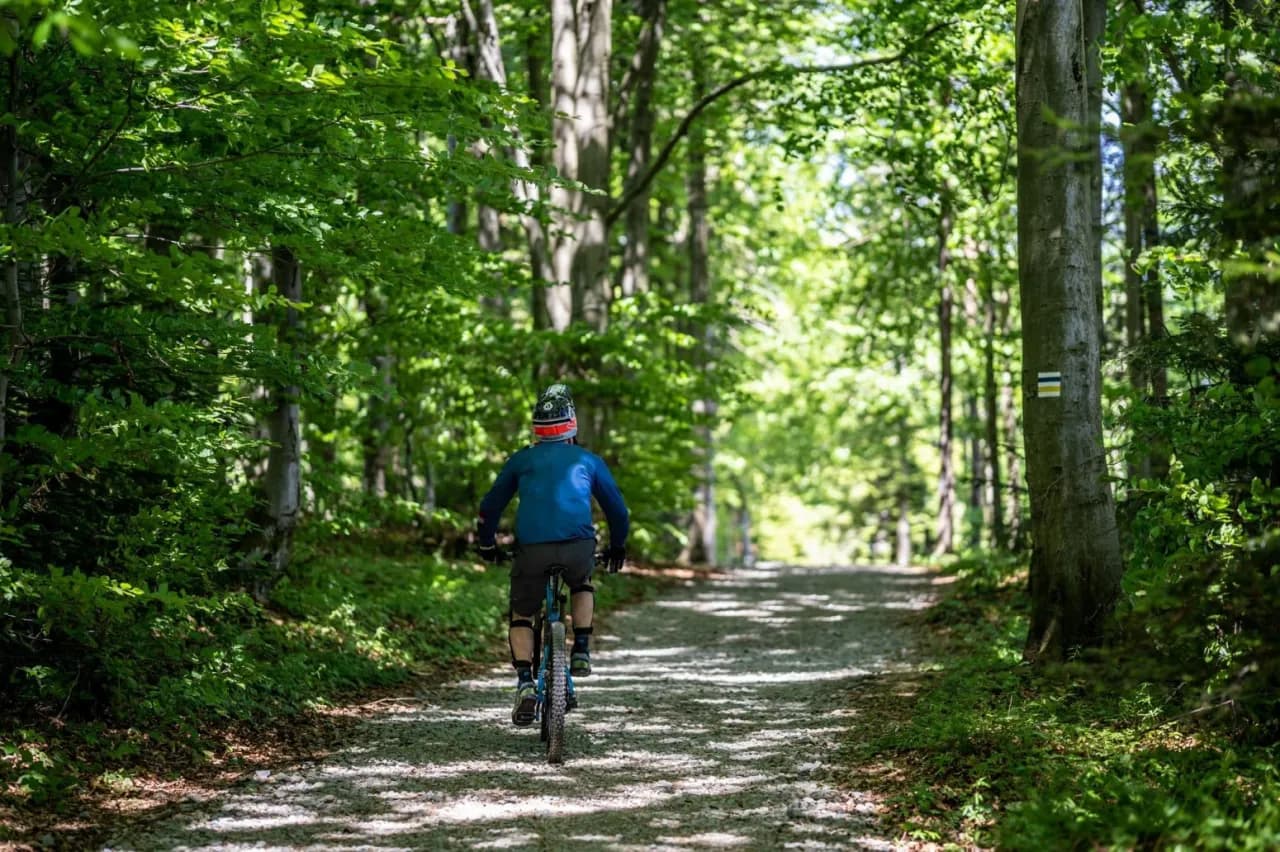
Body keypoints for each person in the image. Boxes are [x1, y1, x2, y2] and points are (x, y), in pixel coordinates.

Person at [475, 384, 629, 726]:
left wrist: (487, 543)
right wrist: (617, 547)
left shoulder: (522, 460)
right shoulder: (588, 460)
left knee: (521, 614)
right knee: (582, 583)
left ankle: (525, 683)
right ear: (572, 424)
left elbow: (489, 507)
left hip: (531, 552)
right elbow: (618, 512)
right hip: (578, 549)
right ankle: (582, 650)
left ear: (537, 427)